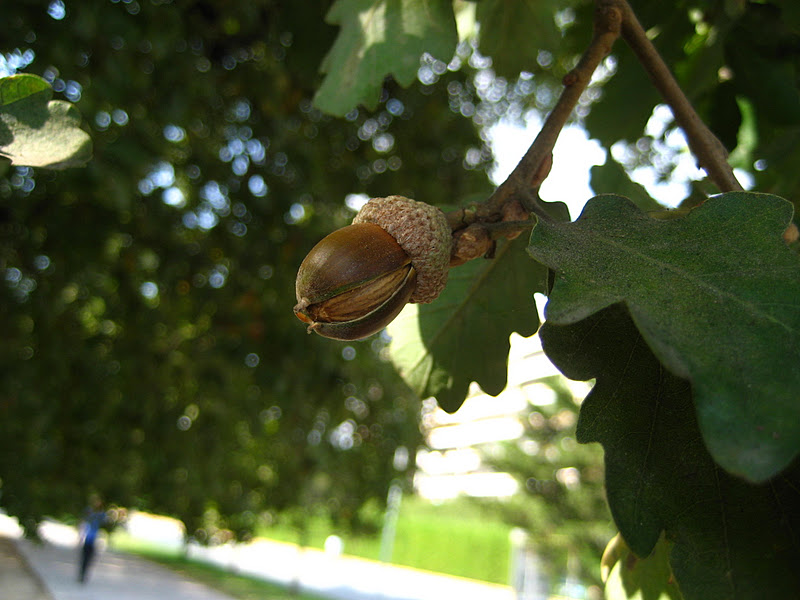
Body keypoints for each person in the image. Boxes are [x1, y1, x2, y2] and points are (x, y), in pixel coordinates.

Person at [77, 495, 106, 583]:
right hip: (87, 538)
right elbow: (82, 523)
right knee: (84, 558)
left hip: (94, 539)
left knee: (89, 558)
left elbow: (105, 519)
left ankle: (84, 574)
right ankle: (82, 574)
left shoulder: (100, 514)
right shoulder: (89, 512)